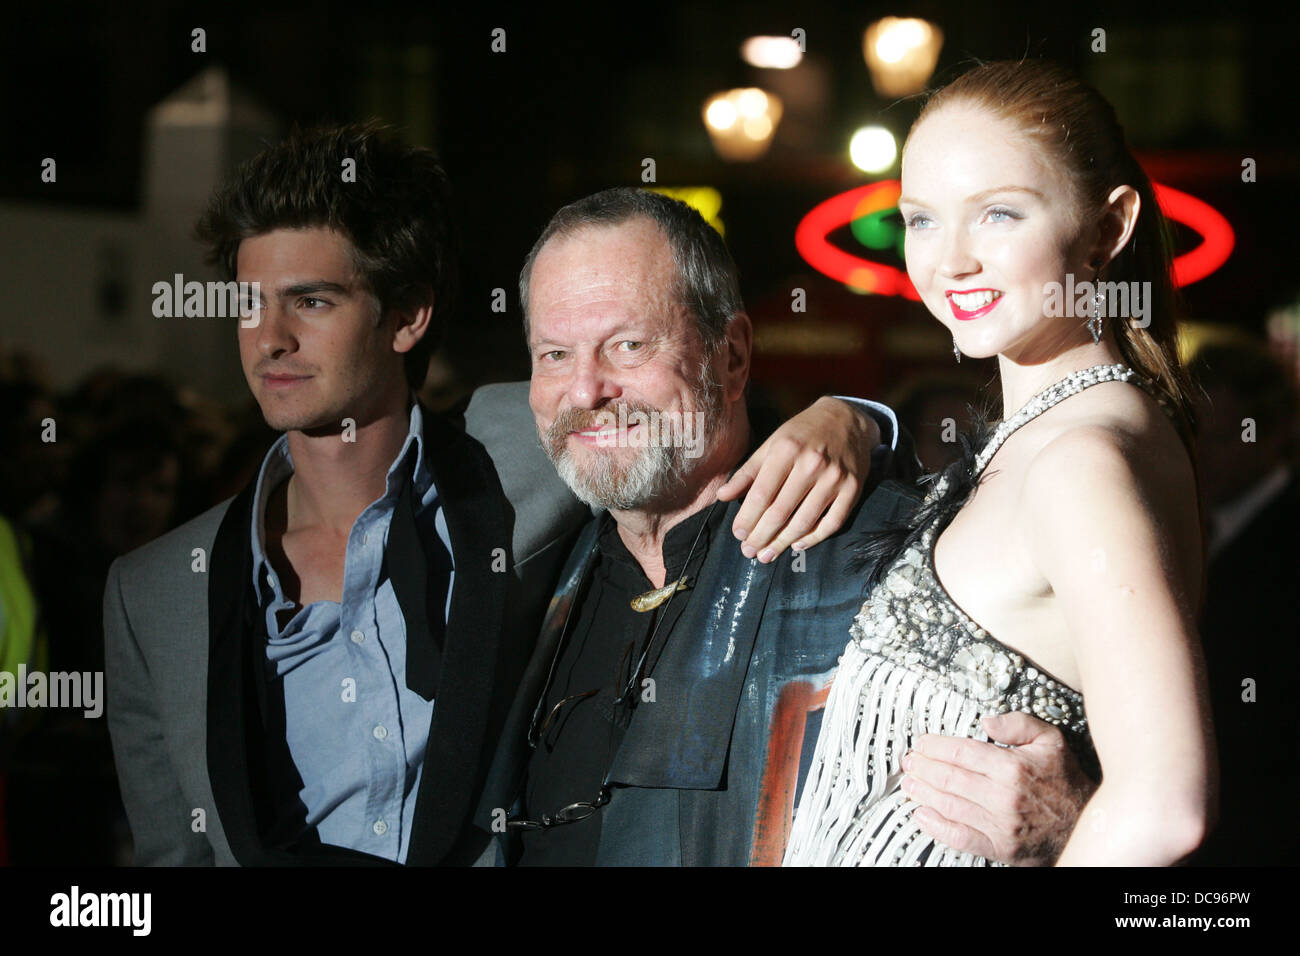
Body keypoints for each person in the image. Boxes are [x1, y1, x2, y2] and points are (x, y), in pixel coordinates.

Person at [102, 123, 887, 865]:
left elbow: (675, 414)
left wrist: (850, 418)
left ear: (407, 316)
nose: (269, 337)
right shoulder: (159, 592)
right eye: (249, 305)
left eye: (311, 301)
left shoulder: (524, 447)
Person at [475, 187, 1094, 866]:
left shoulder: (886, 552)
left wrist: (1074, 823)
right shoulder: (526, 554)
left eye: (628, 346)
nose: (586, 390)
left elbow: (1066, 776)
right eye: (555, 355)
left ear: (733, 356)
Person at [785, 59, 1215, 866]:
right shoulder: (1050, 436)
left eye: (999, 216)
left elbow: (1166, 807)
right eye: (921, 220)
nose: (950, 261)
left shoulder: (1081, 459)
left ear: (1107, 228)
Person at [1188, 337, 1299, 864]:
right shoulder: (1180, 520)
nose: (1201, 456)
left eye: (1222, 438)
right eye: (1192, 436)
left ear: (1275, 432)